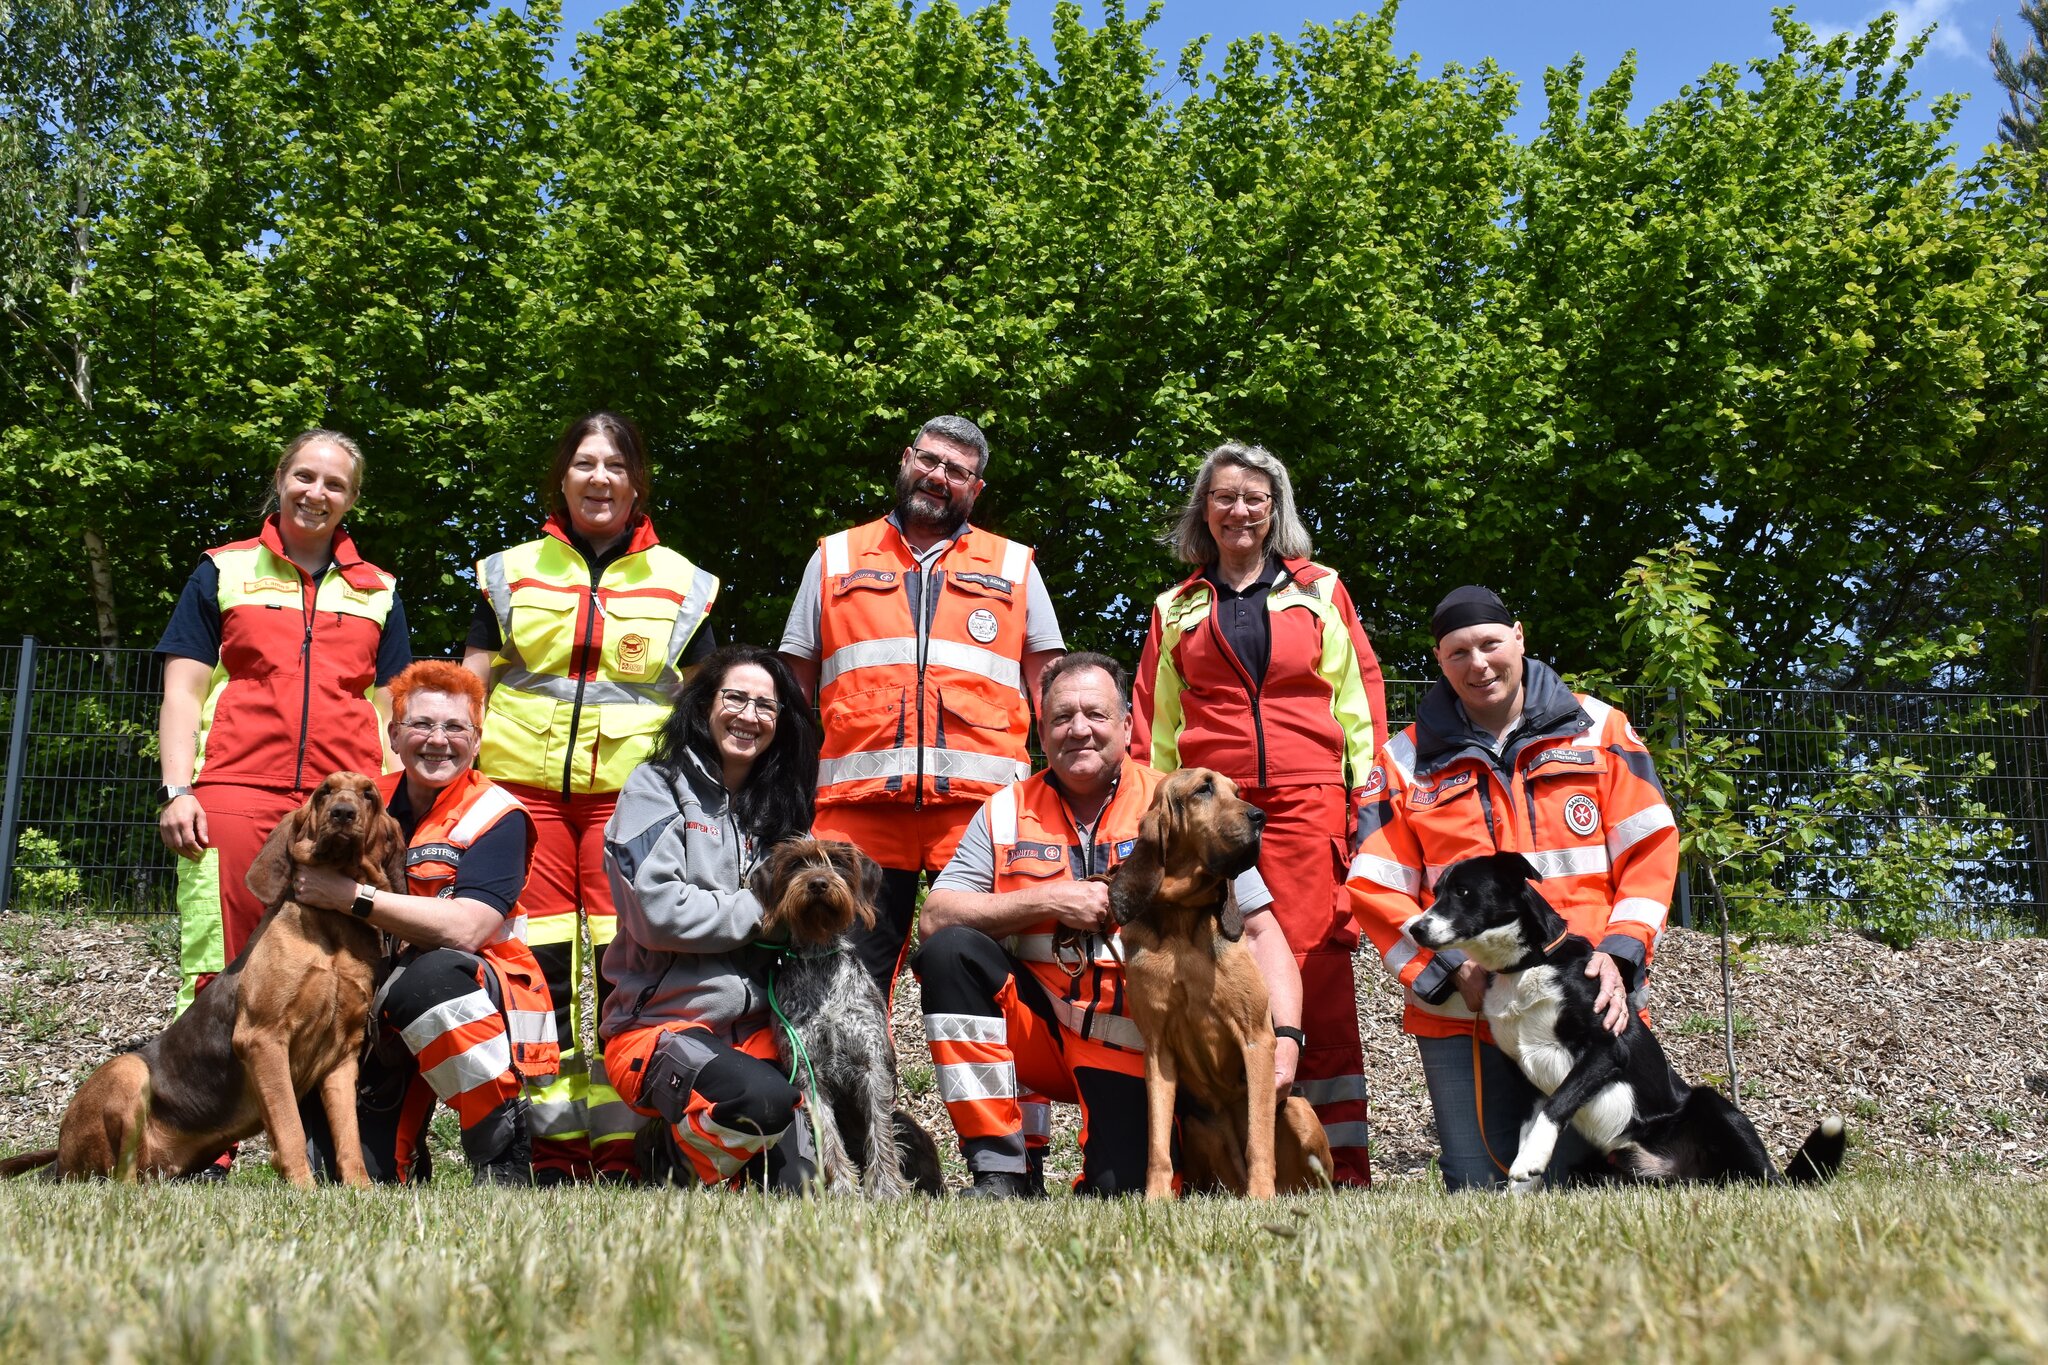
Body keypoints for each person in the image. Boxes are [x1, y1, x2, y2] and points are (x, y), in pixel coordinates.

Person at [915, 652, 1303, 1198]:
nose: (1079, 730)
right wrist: (1048, 898)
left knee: (1116, 1190)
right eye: (1061, 718)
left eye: (1096, 715)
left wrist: (1285, 1037)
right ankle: (1000, 1169)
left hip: (1130, 1048)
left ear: (1125, 725)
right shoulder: (1004, 810)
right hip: (1038, 1029)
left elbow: (1261, 930)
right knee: (949, 952)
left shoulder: (1178, 799)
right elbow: (934, 916)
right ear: (1040, 730)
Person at [1347, 586, 1679, 1191]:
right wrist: (1449, 966)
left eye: (1490, 644)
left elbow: (1650, 848)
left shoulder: (1601, 729)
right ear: (1439, 661)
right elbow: (1371, 886)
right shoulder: (1401, 762)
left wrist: (1622, 951)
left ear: (1519, 638)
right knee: (1479, 1189)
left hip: (1582, 997)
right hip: (1465, 1012)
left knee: (1604, 1185)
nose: (1478, 665)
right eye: (1458, 653)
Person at [463, 410, 721, 1183]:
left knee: (626, 966)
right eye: (584, 463)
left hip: (630, 806)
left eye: (615, 464)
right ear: (563, 477)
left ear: (637, 483)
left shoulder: (682, 581)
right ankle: (549, 1146)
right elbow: (470, 683)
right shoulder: (509, 571)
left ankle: (621, 1145)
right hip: (522, 799)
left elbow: (703, 704)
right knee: (536, 969)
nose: (599, 477)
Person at [1128, 442, 1388, 1187]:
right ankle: (1203, 1168)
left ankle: (1338, 1168)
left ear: (1277, 508)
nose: (1239, 509)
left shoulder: (1322, 591)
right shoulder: (1174, 608)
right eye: (1224, 496)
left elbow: (1360, 703)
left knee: (1316, 977)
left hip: (1310, 808)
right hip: (1211, 814)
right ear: (1202, 512)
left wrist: (1364, 810)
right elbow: (1155, 730)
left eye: (1254, 496)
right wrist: (1159, 825)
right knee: (1196, 977)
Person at [778, 415, 1064, 1008]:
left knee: (991, 984)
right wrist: (783, 795)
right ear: (907, 459)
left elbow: (1053, 691)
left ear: (976, 488)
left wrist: (1066, 797)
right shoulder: (833, 558)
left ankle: (999, 1103)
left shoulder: (1015, 567)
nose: (938, 477)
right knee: (839, 993)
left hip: (981, 818)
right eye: (929, 461)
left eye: (957, 471)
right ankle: (861, 1105)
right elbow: (790, 690)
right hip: (856, 815)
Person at [156, 428, 411, 1015]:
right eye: (304, 476)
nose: (315, 493)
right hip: (232, 793)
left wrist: (395, 807)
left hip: (342, 805)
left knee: (340, 962)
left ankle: (317, 1102)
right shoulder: (222, 571)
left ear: (350, 500)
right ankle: (200, 1101)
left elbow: (392, 713)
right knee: (222, 964)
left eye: (334, 484)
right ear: (279, 480)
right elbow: (183, 693)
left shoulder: (380, 591)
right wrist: (177, 790)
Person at [292, 661, 559, 1185]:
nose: (438, 741)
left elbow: (466, 928)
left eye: (454, 727)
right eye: (422, 725)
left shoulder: (496, 813)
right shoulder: (361, 799)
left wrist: (350, 897)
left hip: (470, 995)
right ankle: (405, 1157)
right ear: (394, 734)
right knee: (340, 1176)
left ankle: (501, 1150)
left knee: (428, 980)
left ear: (476, 739)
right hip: (372, 1001)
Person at [599, 645, 822, 1190]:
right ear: (703, 706)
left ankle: (722, 1165)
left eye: (765, 707)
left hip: (764, 1033)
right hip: (662, 1029)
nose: (749, 716)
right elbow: (659, 914)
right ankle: (671, 1164)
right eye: (735, 698)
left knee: (802, 1187)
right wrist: (768, 908)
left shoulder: (787, 807)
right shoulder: (655, 788)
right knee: (763, 1103)